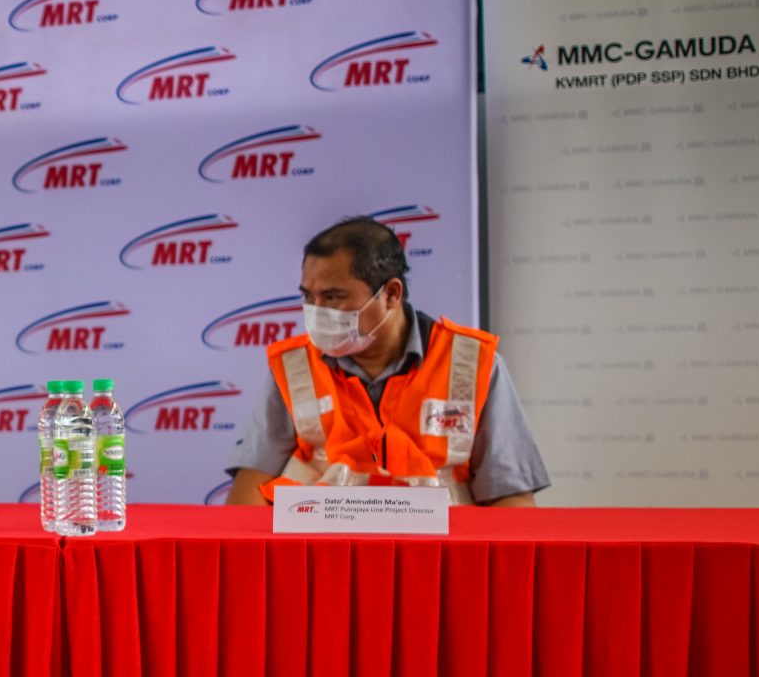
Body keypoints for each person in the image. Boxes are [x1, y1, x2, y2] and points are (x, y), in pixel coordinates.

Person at [225, 215, 547, 507]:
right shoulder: (295, 366)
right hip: (321, 555)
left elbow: (510, 497)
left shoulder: (473, 364)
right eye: (308, 297)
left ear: (391, 294)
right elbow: (251, 484)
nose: (316, 312)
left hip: (438, 556)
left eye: (333, 297)